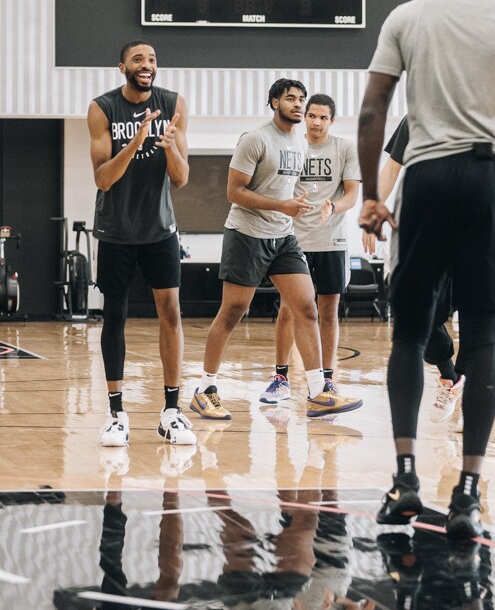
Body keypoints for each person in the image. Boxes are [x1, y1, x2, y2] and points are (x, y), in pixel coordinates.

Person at [357, 0, 495, 538]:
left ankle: (406, 479)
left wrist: (370, 196)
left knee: (409, 336)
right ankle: (468, 493)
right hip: (487, 178)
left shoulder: (407, 16)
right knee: (484, 338)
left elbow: (371, 111)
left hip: (428, 180)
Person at [193, 79, 361, 420]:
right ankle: (204, 388)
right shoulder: (255, 139)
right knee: (233, 311)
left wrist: (314, 203)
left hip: (283, 238)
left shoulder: (299, 144)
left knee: (307, 308)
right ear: (274, 103)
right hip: (246, 235)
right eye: (291, 99)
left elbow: (297, 187)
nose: (298, 105)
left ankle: (318, 391)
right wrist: (280, 206)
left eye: (301, 99)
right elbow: (234, 192)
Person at [88, 40, 196, 449]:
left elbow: (182, 179)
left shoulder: (174, 104)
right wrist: (135, 143)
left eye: (151, 59)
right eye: (138, 59)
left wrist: (169, 148)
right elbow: (102, 179)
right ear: (122, 68)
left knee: (170, 312)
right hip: (115, 230)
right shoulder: (102, 108)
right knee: (115, 314)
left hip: (160, 230)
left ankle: (172, 412)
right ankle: (117, 414)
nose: (147, 65)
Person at [363, 116, 465, 425]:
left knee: (474, 320)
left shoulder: (482, 113)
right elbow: (392, 168)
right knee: (416, 313)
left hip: (469, 229)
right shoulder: (416, 118)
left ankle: (466, 402)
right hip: (421, 229)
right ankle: (451, 377)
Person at [273, 93, 362, 405]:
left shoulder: (345, 148)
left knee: (328, 309)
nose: (316, 122)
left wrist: (333, 207)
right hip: (293, 240)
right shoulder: (290, 145)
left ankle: (327, 379)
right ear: (305, 116)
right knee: (288, 308)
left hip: (332, 241)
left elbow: (351, 194)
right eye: (312, 115)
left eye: (323, 117)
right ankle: (280, 377)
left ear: (331, 121)